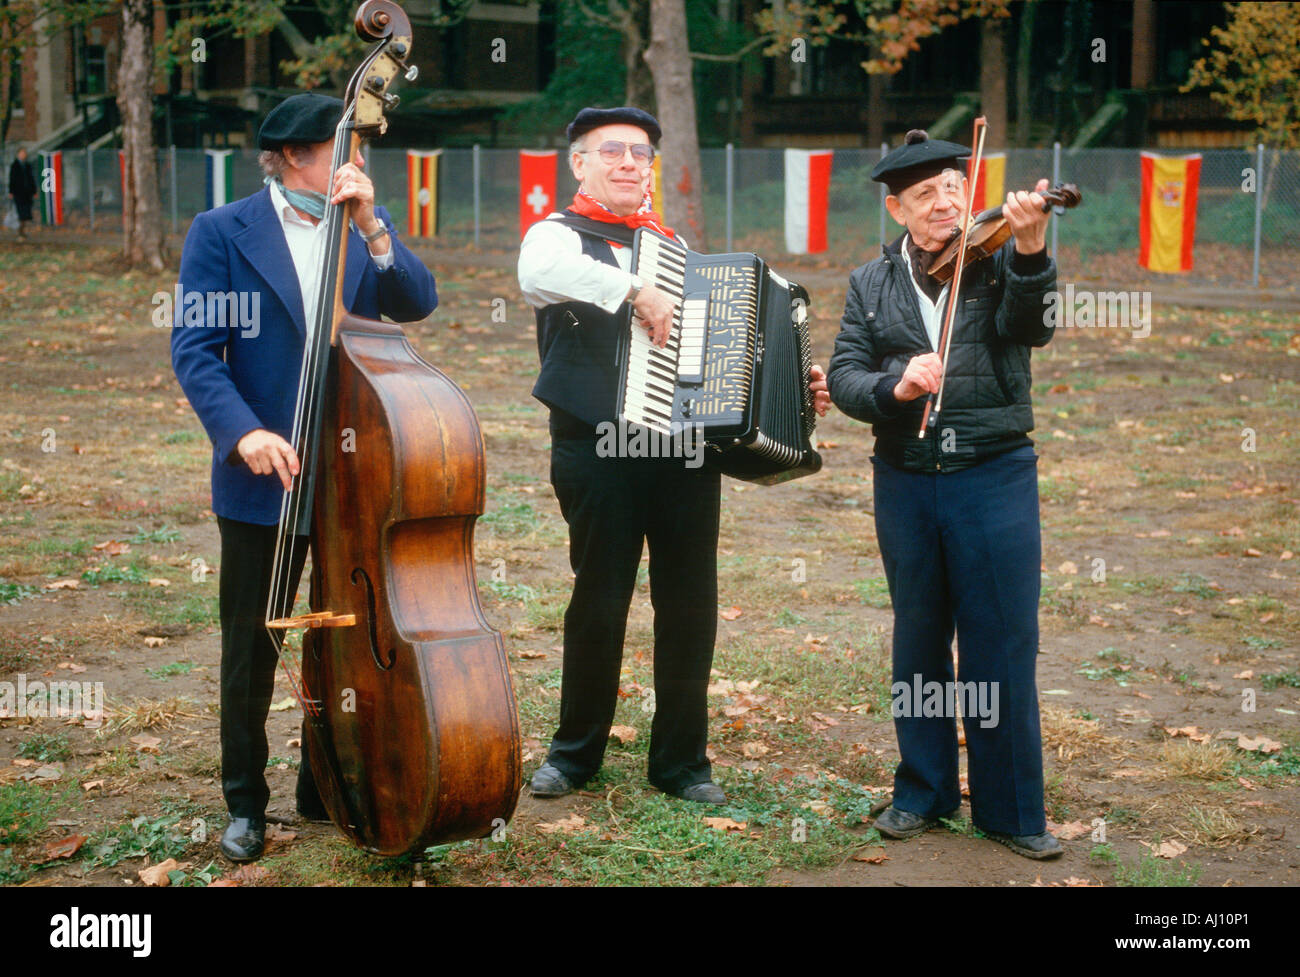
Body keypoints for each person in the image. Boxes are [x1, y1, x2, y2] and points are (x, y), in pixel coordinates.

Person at [518, 106, 830, 806]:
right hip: (597, 448)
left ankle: (682, 762)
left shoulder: (677, 249)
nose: (631, 163)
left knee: (690, 604)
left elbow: (725, 355)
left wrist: (787, 386)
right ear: (581, 164)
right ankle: (575, 754)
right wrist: (633, 288)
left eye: (642, 154)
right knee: (598, 599)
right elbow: (538, 274)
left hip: (683, 452)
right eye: (614, 152)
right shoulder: (557, 234)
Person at [171, 93, 438, 862]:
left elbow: (416, 300)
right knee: (253, 645)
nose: (355, 164)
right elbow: (195, 349)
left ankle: (324, 784)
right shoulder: (221, 232)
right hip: (267, 475)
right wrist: (243, 431)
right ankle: (244, 803)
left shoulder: (358, 225)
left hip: (360, 473)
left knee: (350, 643)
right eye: (339, 149)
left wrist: (374, 227)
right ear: (292, 156)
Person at [827, 129, 1062, 859]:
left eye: (955, 189)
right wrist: (892, 387)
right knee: (918, 637)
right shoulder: (870, 283)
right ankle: (922, 791)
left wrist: (1029, 252)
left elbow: (1033, 329)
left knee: (1000, 641)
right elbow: (843, 378)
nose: (945, 203)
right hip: (903, 476)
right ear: (896, 208)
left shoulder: (995, 262)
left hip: (993, 472)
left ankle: (1013, 809)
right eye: (926, 194)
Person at [8, 147, 37, 241]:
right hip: (18, 193)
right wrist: (11, 191)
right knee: (20, 213)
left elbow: (31, 179)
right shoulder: (14, 166)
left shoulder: (28, 165)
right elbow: (12, 179)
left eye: (25, 153)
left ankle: (22, 232)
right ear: (18, 154)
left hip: (27, 193)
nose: (24, 155)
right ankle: (20, 232)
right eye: (22, 153)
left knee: (26, 214)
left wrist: (34, 191)